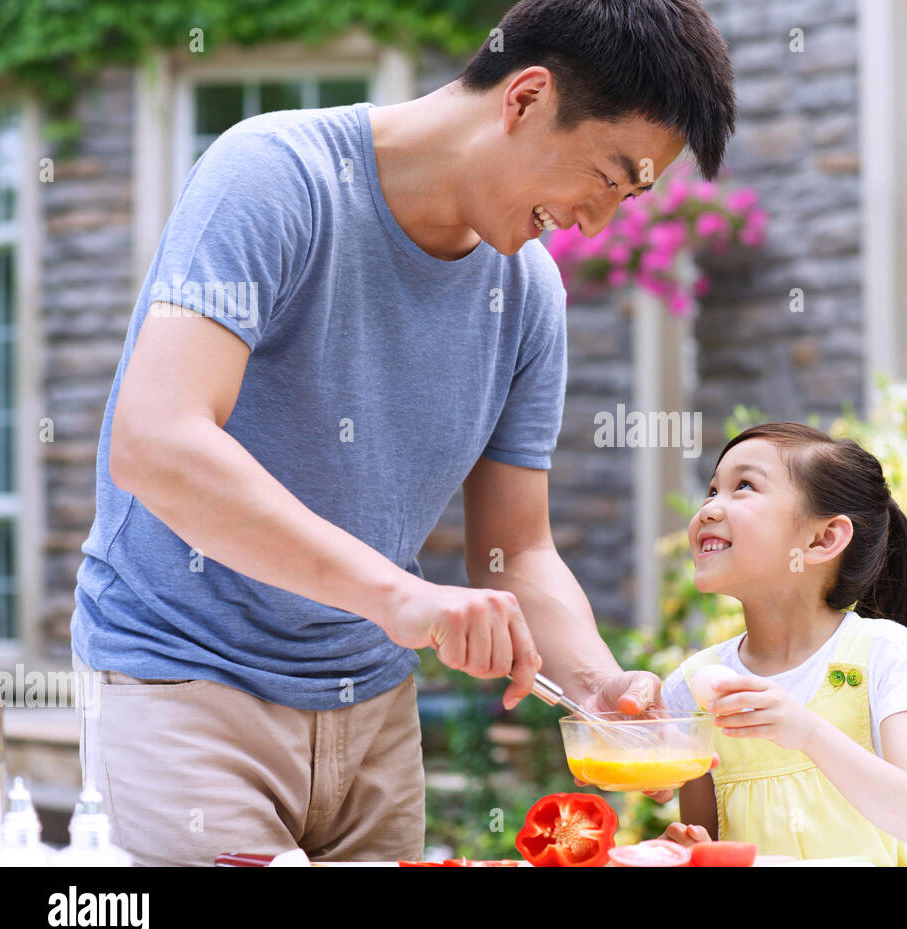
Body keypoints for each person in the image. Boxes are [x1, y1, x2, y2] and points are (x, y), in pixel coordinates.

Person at [69, 0, 736, 866]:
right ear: (526, 98)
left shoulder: (529, 294)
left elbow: (517, 552)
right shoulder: (274, 177)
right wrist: (398, 598)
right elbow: (158, 443)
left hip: (375, 714)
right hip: (185, 685)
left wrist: (598, 686)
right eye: (608, 177)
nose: (597, 221)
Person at [659, 422, 907, 864]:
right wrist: (692, 851)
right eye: (711, 490)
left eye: (743, 486)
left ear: (822, 539)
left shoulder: (884, 653)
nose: (708, 509)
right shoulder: (692, 688)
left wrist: (809, 732)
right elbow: (712, 844)